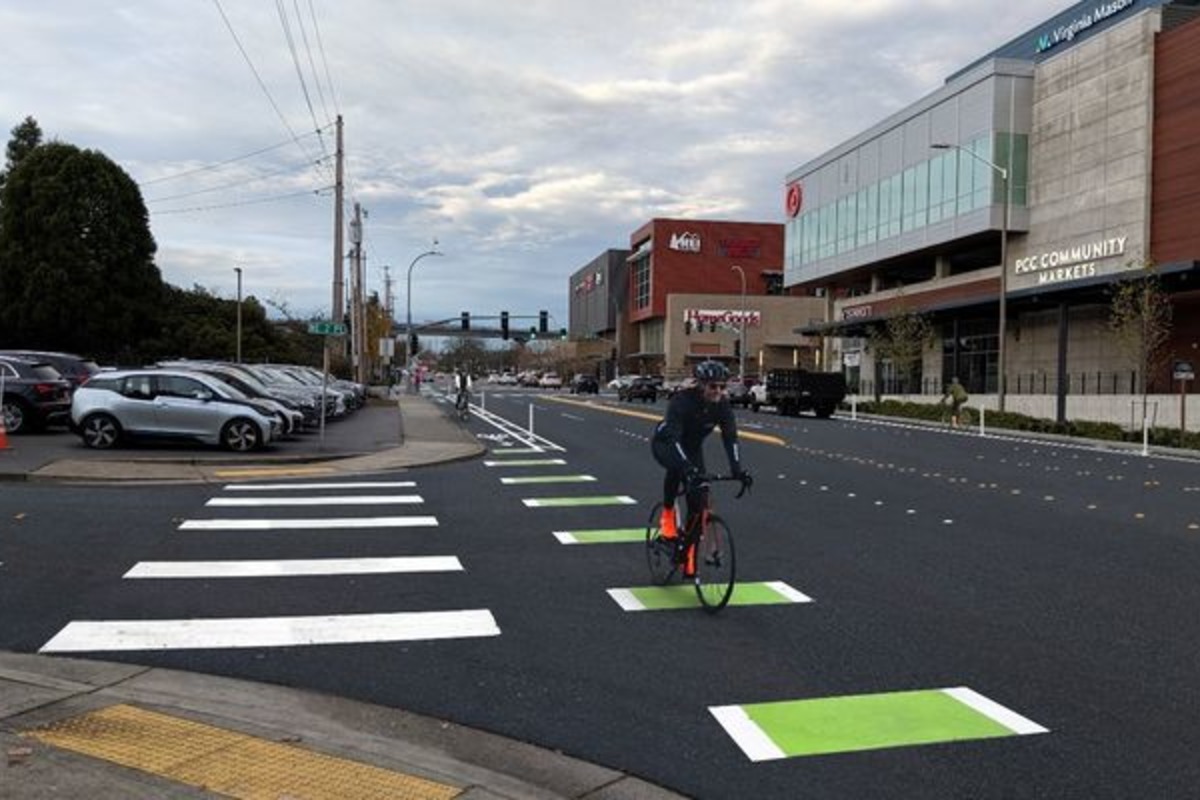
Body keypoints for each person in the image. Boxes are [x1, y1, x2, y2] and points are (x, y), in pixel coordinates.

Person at [651, 360, 752, 576]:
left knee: (698, 503)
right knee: (678, 469)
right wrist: (687, 468)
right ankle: (667, 517)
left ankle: (687, 553)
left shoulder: (722, 405)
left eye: (722, 387)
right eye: (713, 386)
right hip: (667, 443)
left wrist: (737, 469)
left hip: (692, 448)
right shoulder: (682, 401)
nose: (718, 391)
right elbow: (674, 439)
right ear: (700, 385)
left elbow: (730, 438)